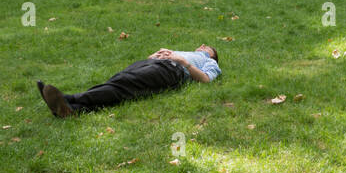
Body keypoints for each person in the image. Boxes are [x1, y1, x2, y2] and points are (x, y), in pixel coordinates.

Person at [37, 44, 221, 118]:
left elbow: (206, 79)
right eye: (202, 45)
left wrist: (183, 62)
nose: (203, 46)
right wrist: (154, 56)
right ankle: (71, 108)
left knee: (123, 84)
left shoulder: (209, 62)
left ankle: (70, 100)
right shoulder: (186, 50)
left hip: (172, 70)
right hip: (154, 63)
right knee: (119, 82)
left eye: (208, 47)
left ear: (212, 54)